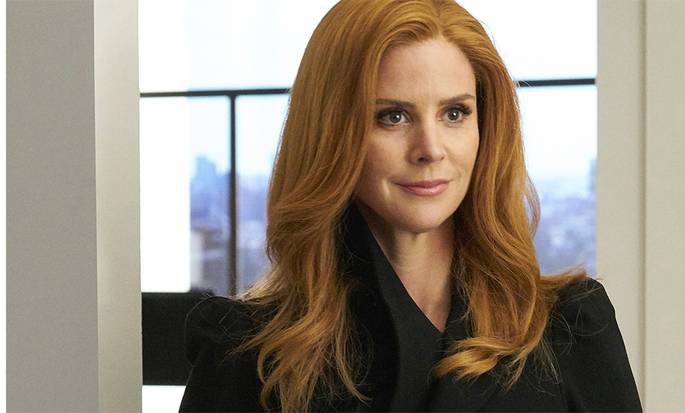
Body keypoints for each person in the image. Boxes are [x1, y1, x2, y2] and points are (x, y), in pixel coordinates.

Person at [179, 0, 642, 412]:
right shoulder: (246, 350)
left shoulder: (568, 329)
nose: (430, 149)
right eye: (393, 116)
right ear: (331, 133)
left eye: (454, 113)